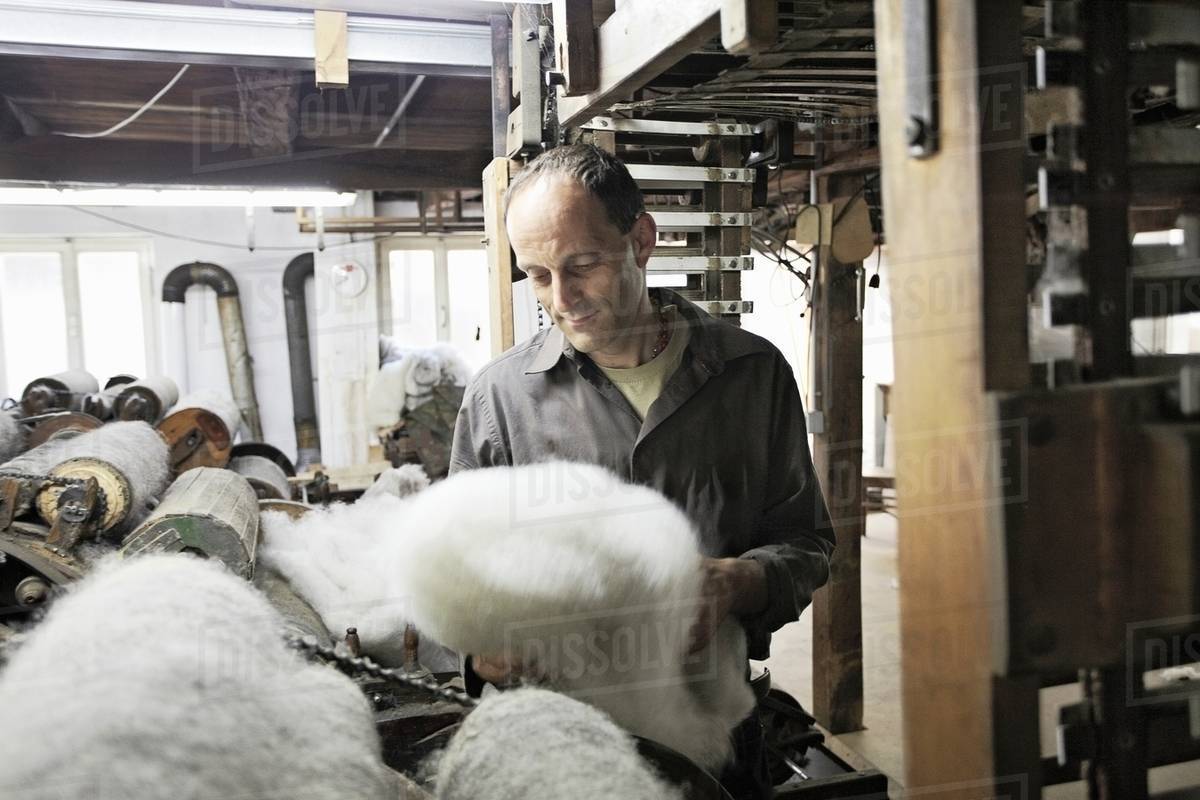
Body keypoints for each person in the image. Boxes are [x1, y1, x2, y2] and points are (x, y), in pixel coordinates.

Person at [449, 144, 833, 798]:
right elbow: (452, 575)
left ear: (642, 240)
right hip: (560, 749)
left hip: (715, 726)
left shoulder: (750, 374)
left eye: (582, 265)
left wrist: (740, 582)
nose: (562, 298)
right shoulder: (499, 400)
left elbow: (808, 543)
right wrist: (476, 651)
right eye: (538, 276)